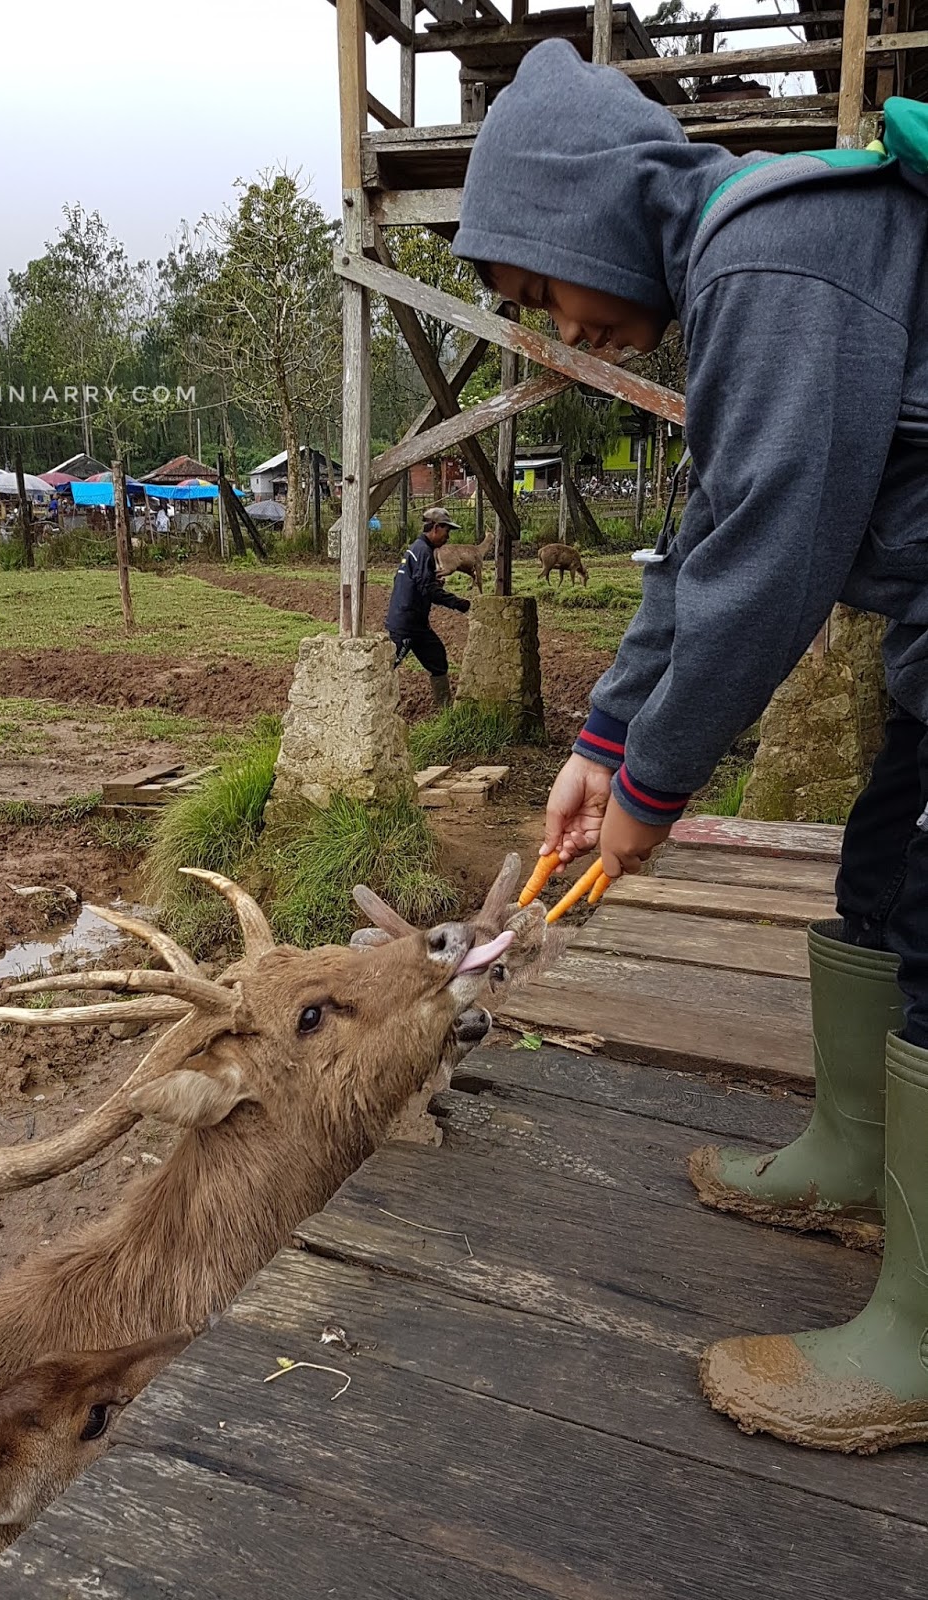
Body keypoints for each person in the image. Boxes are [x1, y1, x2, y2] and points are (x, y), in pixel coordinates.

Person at [452, 39, 928, 1453]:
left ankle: (918, 1335)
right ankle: (852, 1152)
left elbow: (771, 561)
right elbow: (707, 532)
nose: (559, 330)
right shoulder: (743, 266)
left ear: (584, 212)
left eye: (541, 290)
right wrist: (601, 739)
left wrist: (652, 791)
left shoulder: (768, 257)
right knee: (877, 868)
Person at [386, 507, 472, 707]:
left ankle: (445, 711)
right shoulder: (422, 551)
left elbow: (414, 581)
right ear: (435, 528)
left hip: (417, 623)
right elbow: (427, 589)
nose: (448, 537)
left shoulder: (417, 549)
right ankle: (376, 707)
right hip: (406, 625)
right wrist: (458, 603)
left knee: (438, 659)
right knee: (388, 666)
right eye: (446, 531)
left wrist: (431, 582)